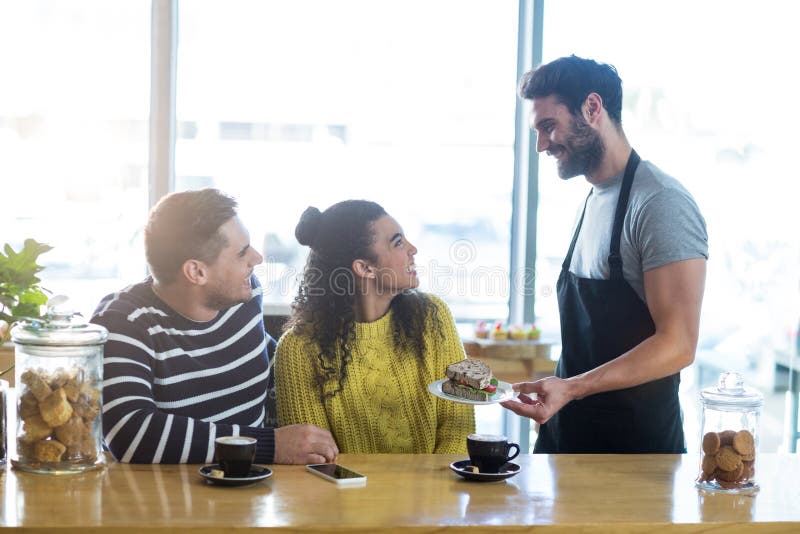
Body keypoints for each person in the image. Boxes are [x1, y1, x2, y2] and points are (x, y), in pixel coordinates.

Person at [501, 56, 708, 453]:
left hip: (633, 460)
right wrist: (555, 388)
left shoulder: (660, 203)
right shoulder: (595, 197)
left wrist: (573, 388)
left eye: (548, 127)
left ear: (592, 109)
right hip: (569, 442)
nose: (542, 145)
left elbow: (679, 344)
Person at [91, 188, 338, 464]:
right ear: (197, 272)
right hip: (165, 500)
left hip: (248, 491)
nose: (257, 258)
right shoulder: (124, 322)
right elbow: (131, 433)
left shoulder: (245, 295)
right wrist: (267, 445)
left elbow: (259, 354)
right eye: (242, 253)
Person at [275, 200, 474, 453]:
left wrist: (432, 491)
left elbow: (458, 427)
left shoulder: (433, 318)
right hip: (346, 493)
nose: (413, 249)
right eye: (398, 242)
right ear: (365, 268)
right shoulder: (298, 349)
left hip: (435, 490)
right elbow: (316, 461)